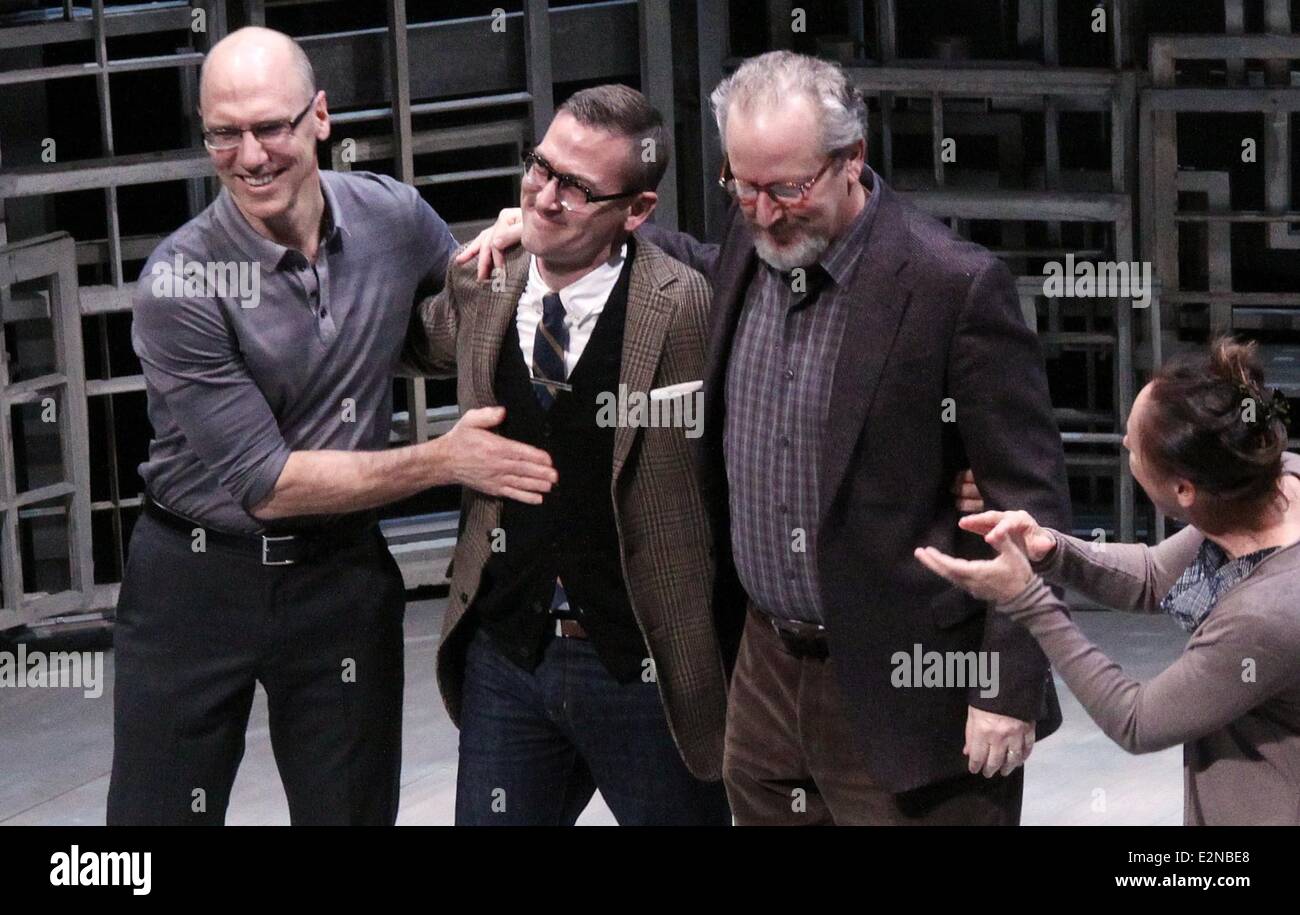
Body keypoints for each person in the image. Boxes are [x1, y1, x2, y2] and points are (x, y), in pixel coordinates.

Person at [467, 50, 1071, 825]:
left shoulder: (953, 286)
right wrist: (547, 221)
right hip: (762, 676)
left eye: (787, 187)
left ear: (852, 158)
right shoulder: (753, 243)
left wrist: (1004, 688)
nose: (763, 211)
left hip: (908, 692)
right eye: (741, 186)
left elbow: (1032, 501)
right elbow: (688, 257)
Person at [110, 26, 556, 825]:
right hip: (197, 579)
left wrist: (517, 246)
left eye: (271, 127)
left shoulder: (389, 216)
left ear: (320, 116)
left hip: (338, 573)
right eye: (224, 134)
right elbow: (268, 484)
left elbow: (448, 315)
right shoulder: (182, 282)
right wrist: (446, 460)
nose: (250, 156)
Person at [407, 85, 733, 825]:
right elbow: (400, 338)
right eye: (540, 169)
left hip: (642, 658)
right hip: (508, 651)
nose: (545, 198)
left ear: (638, 209)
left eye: (577, 188)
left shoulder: (687, 305)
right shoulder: (486, 285)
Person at [917, 337, 1300, 826]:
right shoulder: (1274, 483)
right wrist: (1051, 549)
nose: (1123, 446)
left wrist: (1029, 601)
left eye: (1134, 447)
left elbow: (1136, 720)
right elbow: (1154, 576)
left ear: (1184, 489)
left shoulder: (1266, 617)